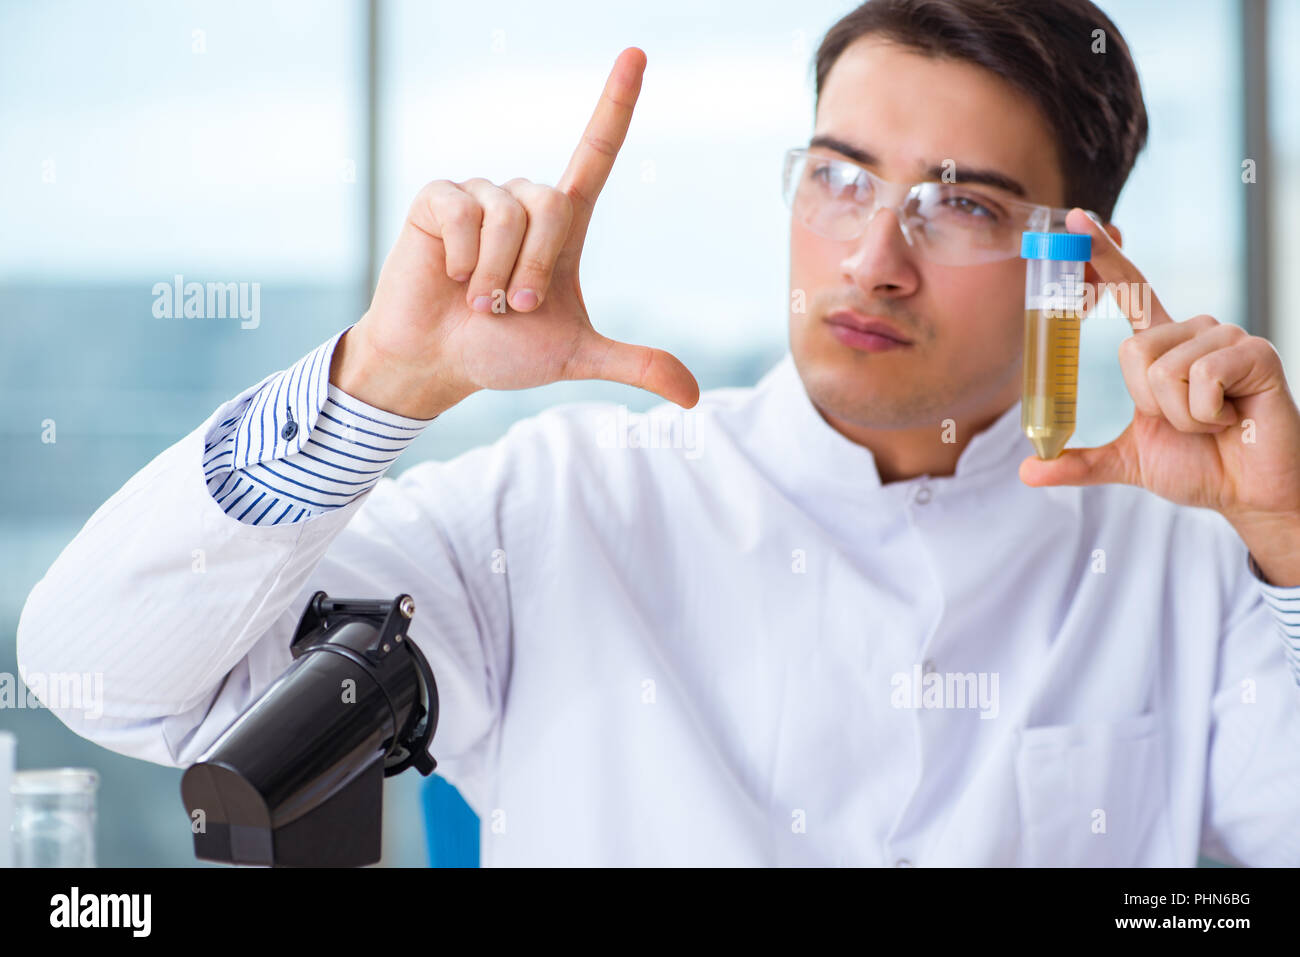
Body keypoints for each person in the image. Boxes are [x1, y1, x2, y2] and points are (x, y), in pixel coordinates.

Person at [17, 0, 1300, 866]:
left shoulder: (1186, 550)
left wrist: (1288, 539)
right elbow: (100, 678)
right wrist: (378, 385)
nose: (869, 257)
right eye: (837, 175)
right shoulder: (568, 507)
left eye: (957, 203)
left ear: (1069, 265)